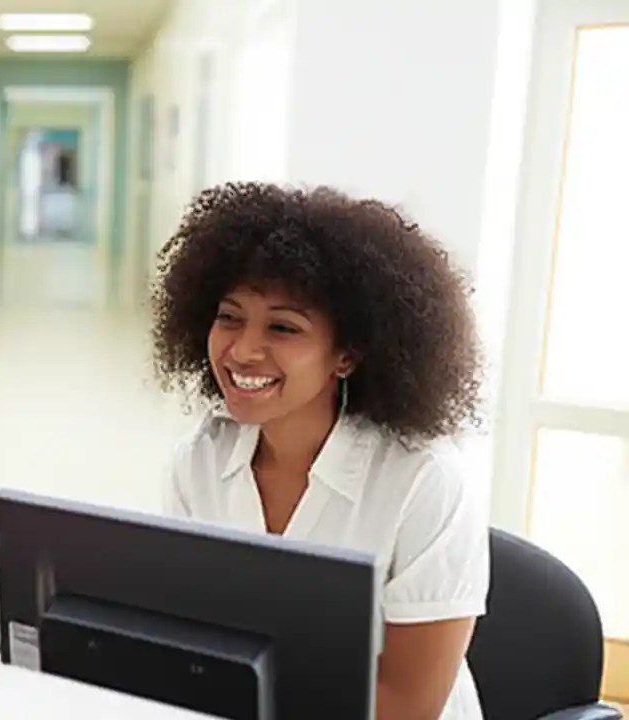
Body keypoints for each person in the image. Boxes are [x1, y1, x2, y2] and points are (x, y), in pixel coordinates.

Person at [152, 182, 488, 720]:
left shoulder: (425, 479)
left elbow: (406, 705)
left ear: (347, 355)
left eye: (283, 327)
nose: (242, 349)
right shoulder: (200, 462)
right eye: (229, 316)